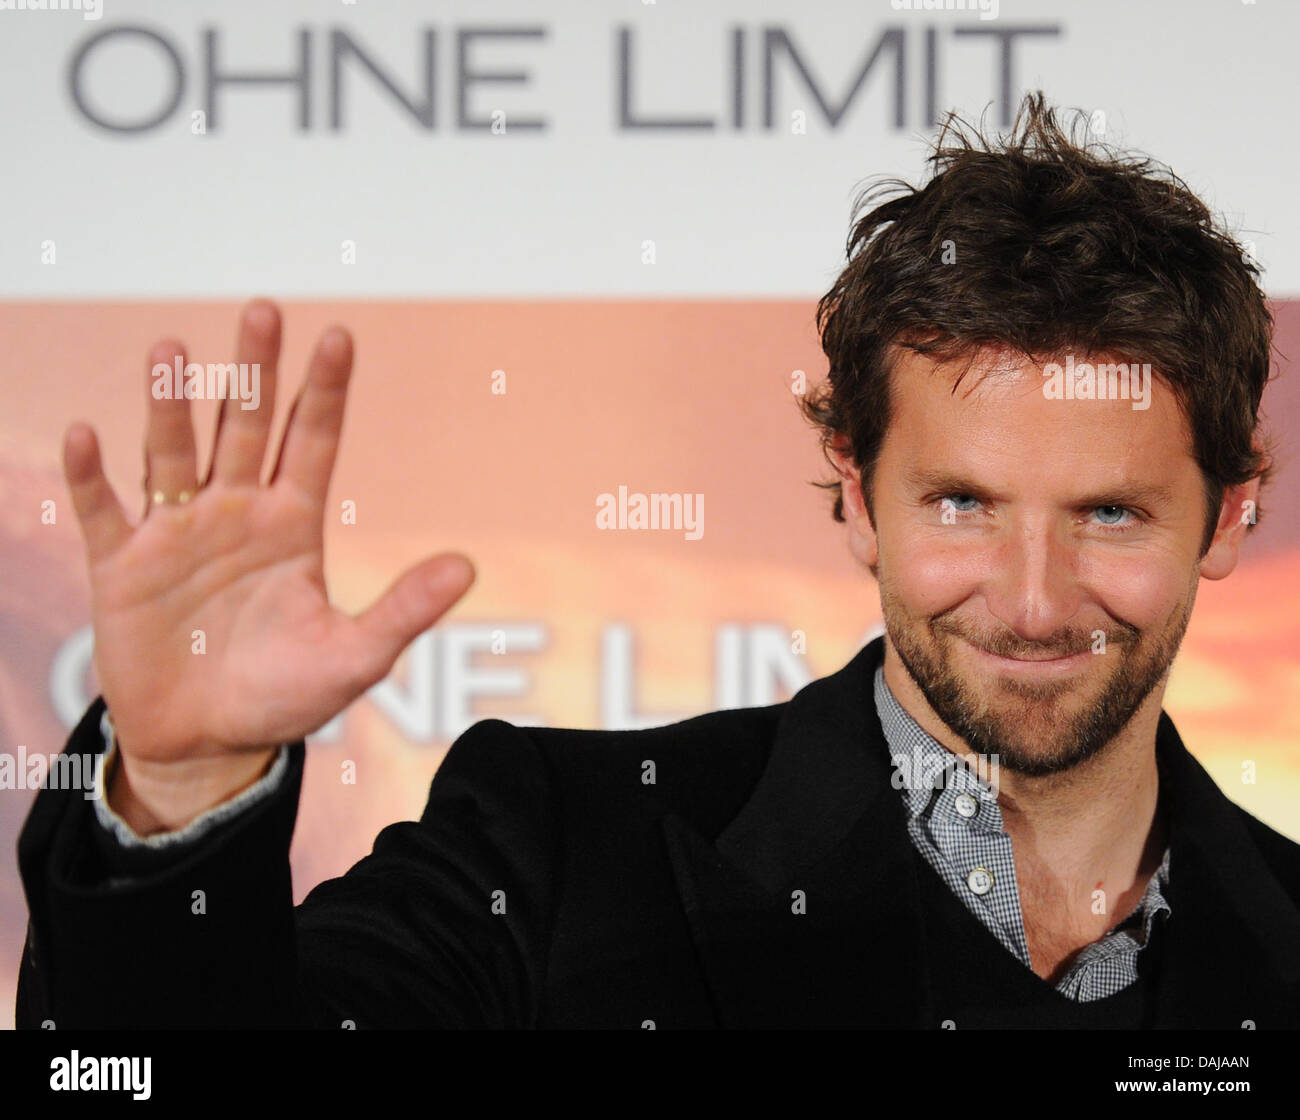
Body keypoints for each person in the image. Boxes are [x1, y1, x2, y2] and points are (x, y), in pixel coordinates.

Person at [16, 92, 1300, 1029]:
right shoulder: (556, 845)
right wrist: (178, 800)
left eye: (1110, 515)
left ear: (1230, 512)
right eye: (961, 502)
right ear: (855, 496)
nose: (1028, 597)